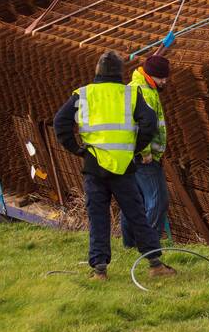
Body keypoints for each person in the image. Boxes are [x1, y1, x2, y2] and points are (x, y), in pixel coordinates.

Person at [53, 50, 176, 281]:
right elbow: (149, 123)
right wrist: (135, 147)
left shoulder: (83, 93)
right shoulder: (130, 94)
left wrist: (77, 149)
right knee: (137, 214)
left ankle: (100, 270)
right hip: (123, 167)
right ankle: (155, 264)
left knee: (98, 217)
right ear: (120, 72)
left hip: (94, 167)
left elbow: (60, 121)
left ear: (98, 71)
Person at [121, 54, 171, 249]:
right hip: (145, 159)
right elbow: (141, 126)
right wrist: (145, 152)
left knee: (134, 202)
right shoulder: (146, 93)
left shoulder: (133, 88)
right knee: (158, 201)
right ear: (152, 75)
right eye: (162, 78)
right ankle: (149, 247)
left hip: (128, 156)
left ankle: (130, 245)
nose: (165, 82)